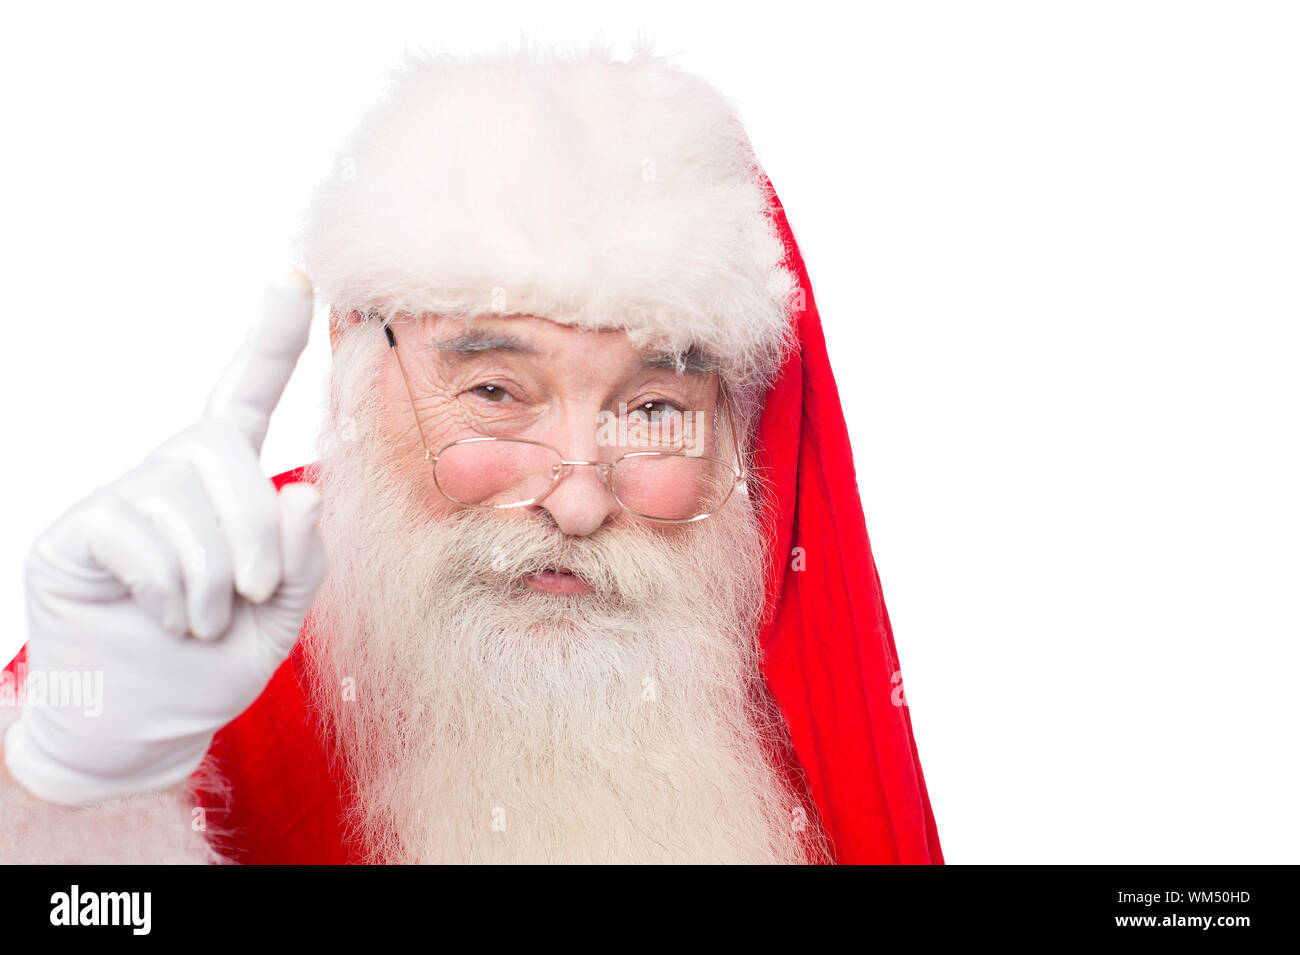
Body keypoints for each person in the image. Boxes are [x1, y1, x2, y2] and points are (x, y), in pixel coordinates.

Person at [0, 41, 942, 864]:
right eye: (494, 392)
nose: (577, 503)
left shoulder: (788, 690)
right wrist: (70, 797)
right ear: (357, 365)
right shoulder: (181, 642)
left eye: (654, 409)